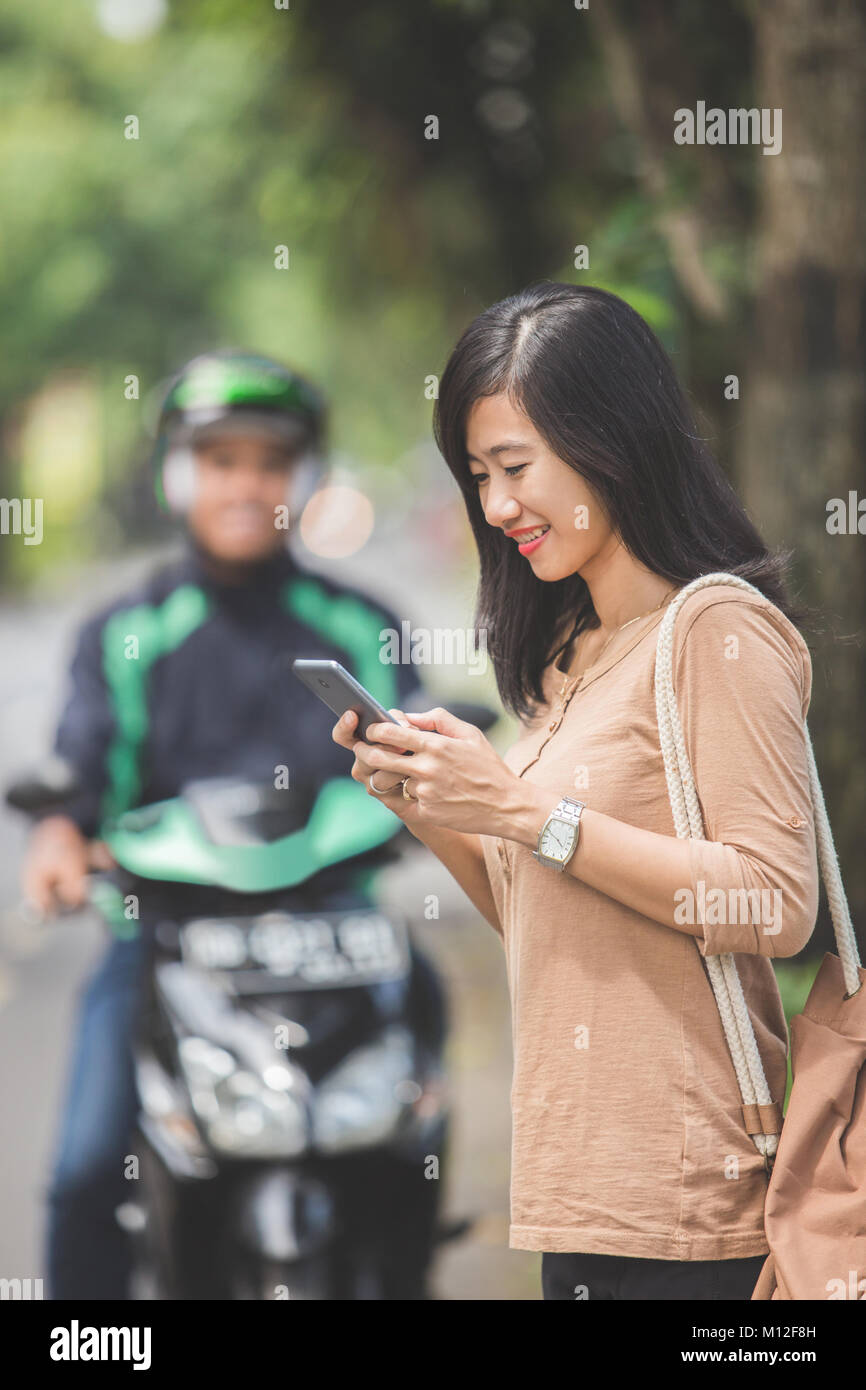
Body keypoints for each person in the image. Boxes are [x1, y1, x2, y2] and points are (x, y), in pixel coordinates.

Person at [333, 283, 821, 1302]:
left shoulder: (713, 631)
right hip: (578, 1195)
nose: (496, 504)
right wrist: (434, 808)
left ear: (613, 444)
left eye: (515, 466)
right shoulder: (569, 653)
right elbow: (547, 923)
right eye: (477, 476)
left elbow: (774, 904)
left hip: (691, 1215)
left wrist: (519, 808)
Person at [23, 349, 430, 1299]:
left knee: (419, 1133)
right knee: (86, 1169)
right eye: (220, 460)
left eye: (270, 461)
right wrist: (57, 831)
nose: (246, 485)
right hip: (164, 942)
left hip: (344, 936)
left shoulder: (365, 624)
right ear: (177, 472)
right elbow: (77, 765)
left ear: (307, 478)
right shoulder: (124, 632)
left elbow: (426, 746)